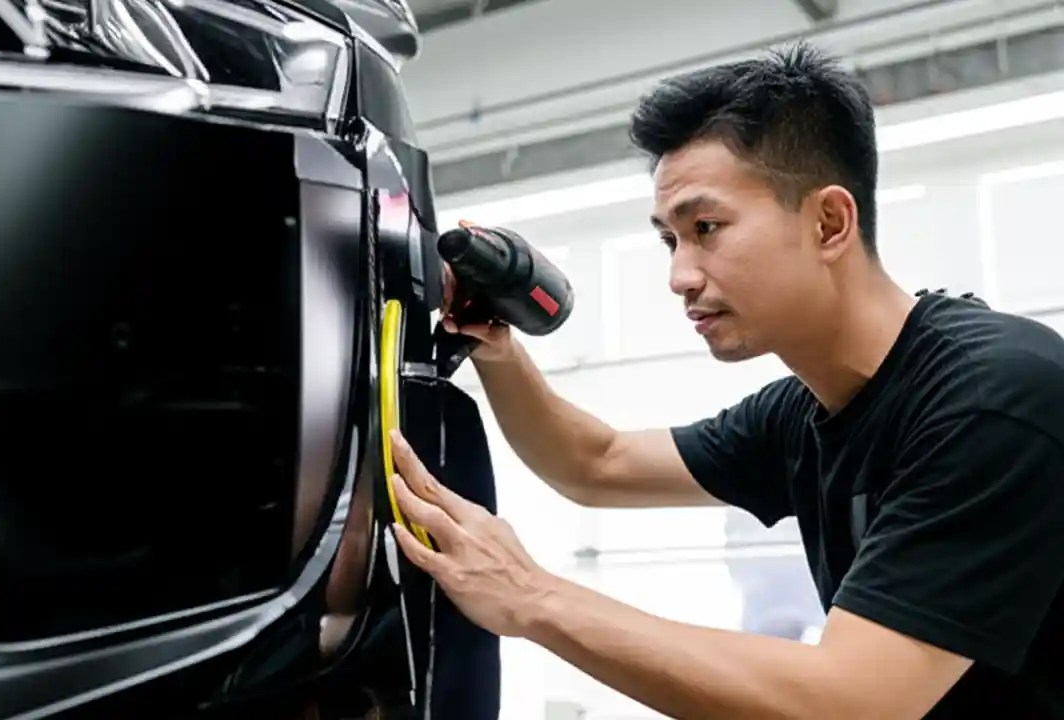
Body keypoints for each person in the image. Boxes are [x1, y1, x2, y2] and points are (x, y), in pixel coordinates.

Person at [385, 40, 1064, 719]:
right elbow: (595, 463)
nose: (679, 276)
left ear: (829, 222)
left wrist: (533, 598)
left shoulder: (994, 400)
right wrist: (498, 351)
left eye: (706, 228)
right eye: (669, 240)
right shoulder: (805, 411)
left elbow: (854, 701)